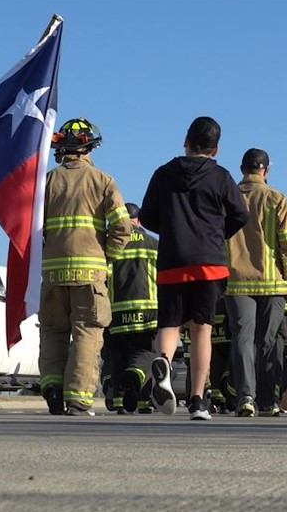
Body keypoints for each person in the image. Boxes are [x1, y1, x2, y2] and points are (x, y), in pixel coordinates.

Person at [139, 116, 249, 420]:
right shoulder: (221, 177)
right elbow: (241, 214)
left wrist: (174, 229)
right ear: (216, 149)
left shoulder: (163, 174)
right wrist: (217, 233)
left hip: (172, 260)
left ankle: (164, 360)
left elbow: (147, 217)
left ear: (185, 141)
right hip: (209, 262)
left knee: (170, 325)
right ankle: (198, 401)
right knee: (202, 329)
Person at [38, 118, 131, 416]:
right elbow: (122, 227)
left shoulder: (46, 181)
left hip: (52, 274)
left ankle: (52, 387)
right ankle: (78, 399)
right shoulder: (103, 181)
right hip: (90, 274)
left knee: (52, 331)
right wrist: (108, 258)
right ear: (90, 146)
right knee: (87, 334)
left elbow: (30, 227)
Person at [224, 148, 287, 417]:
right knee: (269, 342)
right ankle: (268, 401)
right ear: (266, 171)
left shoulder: (226, 197)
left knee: (242, 339)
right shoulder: (276, 198)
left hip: (236, 282)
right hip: (273, 283)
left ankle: (245, 397)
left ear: (241, 168)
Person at [104, 202, 159, 413]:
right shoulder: (153, 244)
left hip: (116, 312)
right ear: (139, 220)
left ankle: (121, 404)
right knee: (145, 354)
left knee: (118, 356)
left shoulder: (111, 245)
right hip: (147, 312)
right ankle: (138, 390)